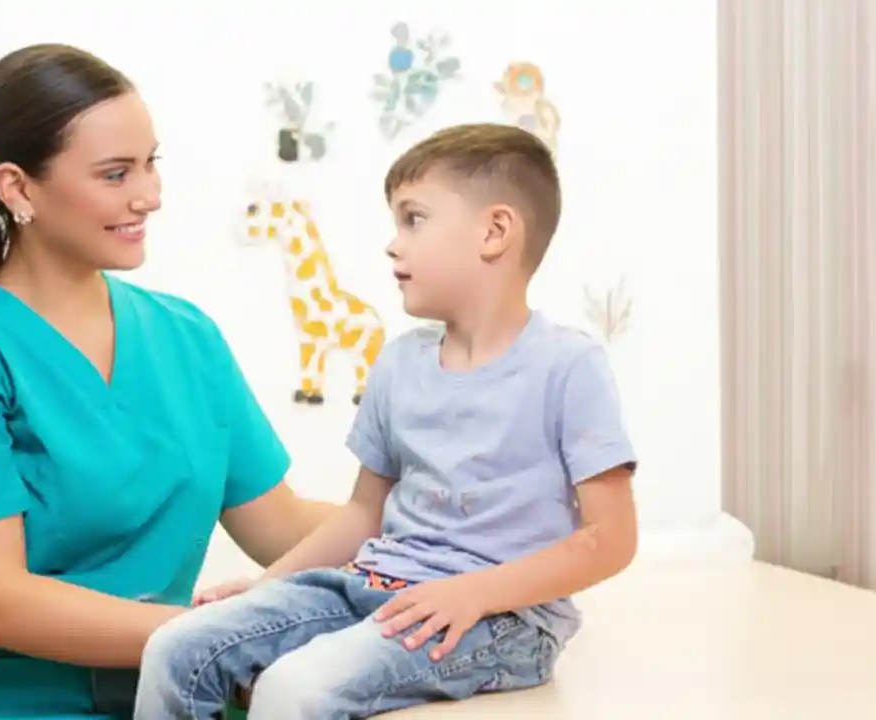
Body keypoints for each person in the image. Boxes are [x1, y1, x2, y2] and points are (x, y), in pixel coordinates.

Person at [0, 43, 334, 720]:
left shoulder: (186, 337)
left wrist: (436, 534)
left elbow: (283, 526)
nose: (149, 195)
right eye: (115, 174)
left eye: (151, 164)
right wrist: (218, 633)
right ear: (18, 188)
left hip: (169, 689)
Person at [134, 123, 640, 719]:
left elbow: (611, 540)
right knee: (178, 647)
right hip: (376, 585)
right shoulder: (399, 362)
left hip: (505, 618)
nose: (392, 244)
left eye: (413, 219)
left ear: (494, 231)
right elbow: (363, 514)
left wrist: (475, 592)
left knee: (294, 688)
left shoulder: (568, 365)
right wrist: (265, 586)